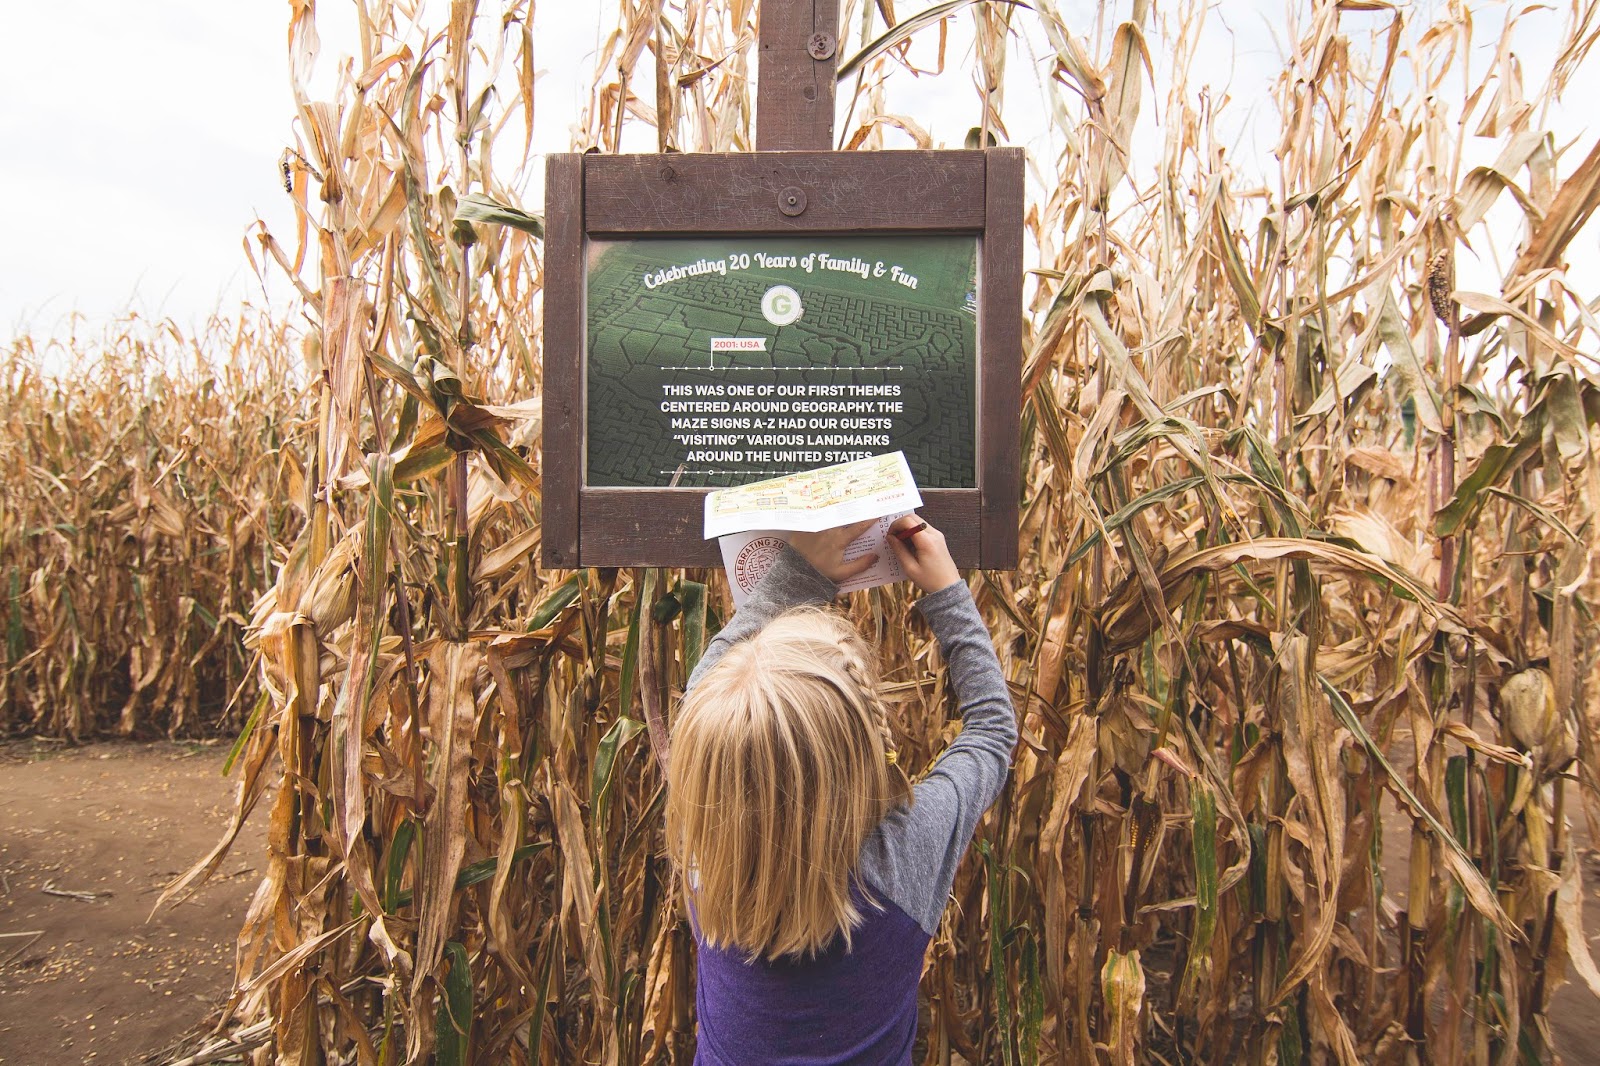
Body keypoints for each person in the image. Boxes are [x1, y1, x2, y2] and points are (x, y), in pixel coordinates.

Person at [665, 515, 1018, 1065]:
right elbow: (993, 732)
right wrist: (947, 592)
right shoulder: (898, 864)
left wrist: (796, 575)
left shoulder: (706, 840)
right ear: (861, 754)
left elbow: (701, 704)